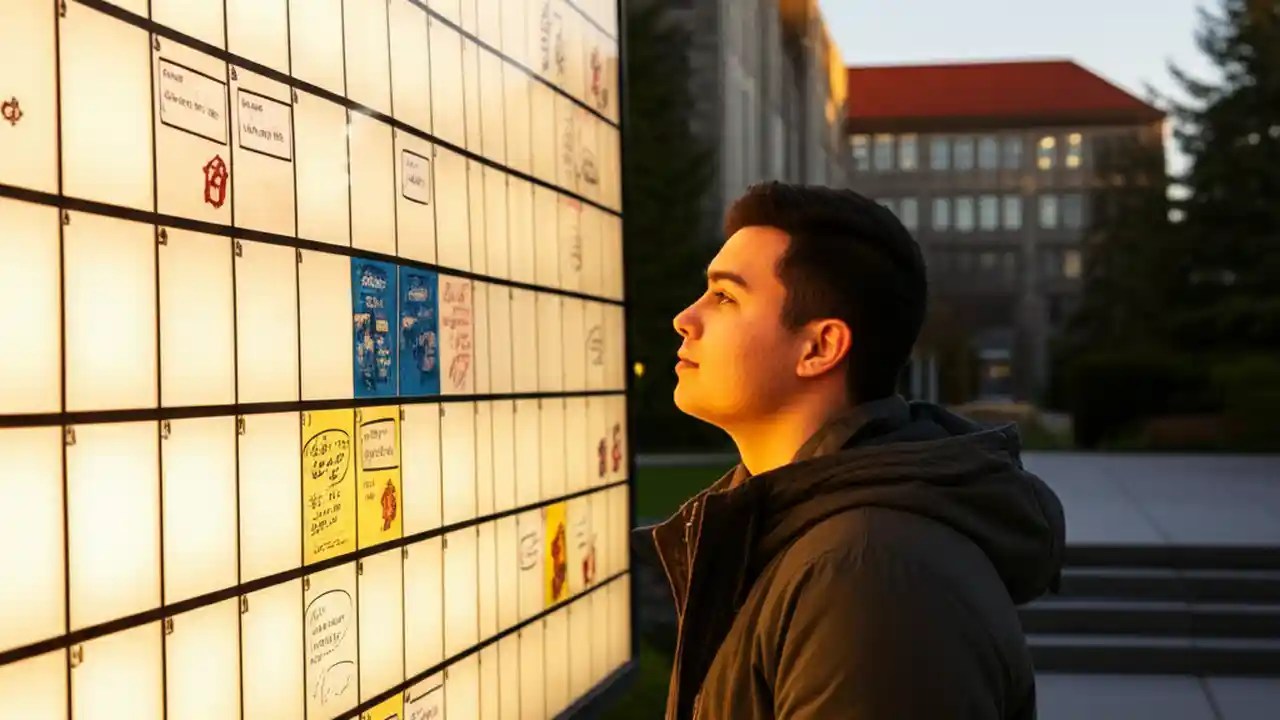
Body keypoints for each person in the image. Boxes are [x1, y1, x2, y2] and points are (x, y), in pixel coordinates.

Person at [649, 182, 1065, 719]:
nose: (686, 317)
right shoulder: (805, 536)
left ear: (820, 347)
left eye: (725, 296)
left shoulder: (868, 578)